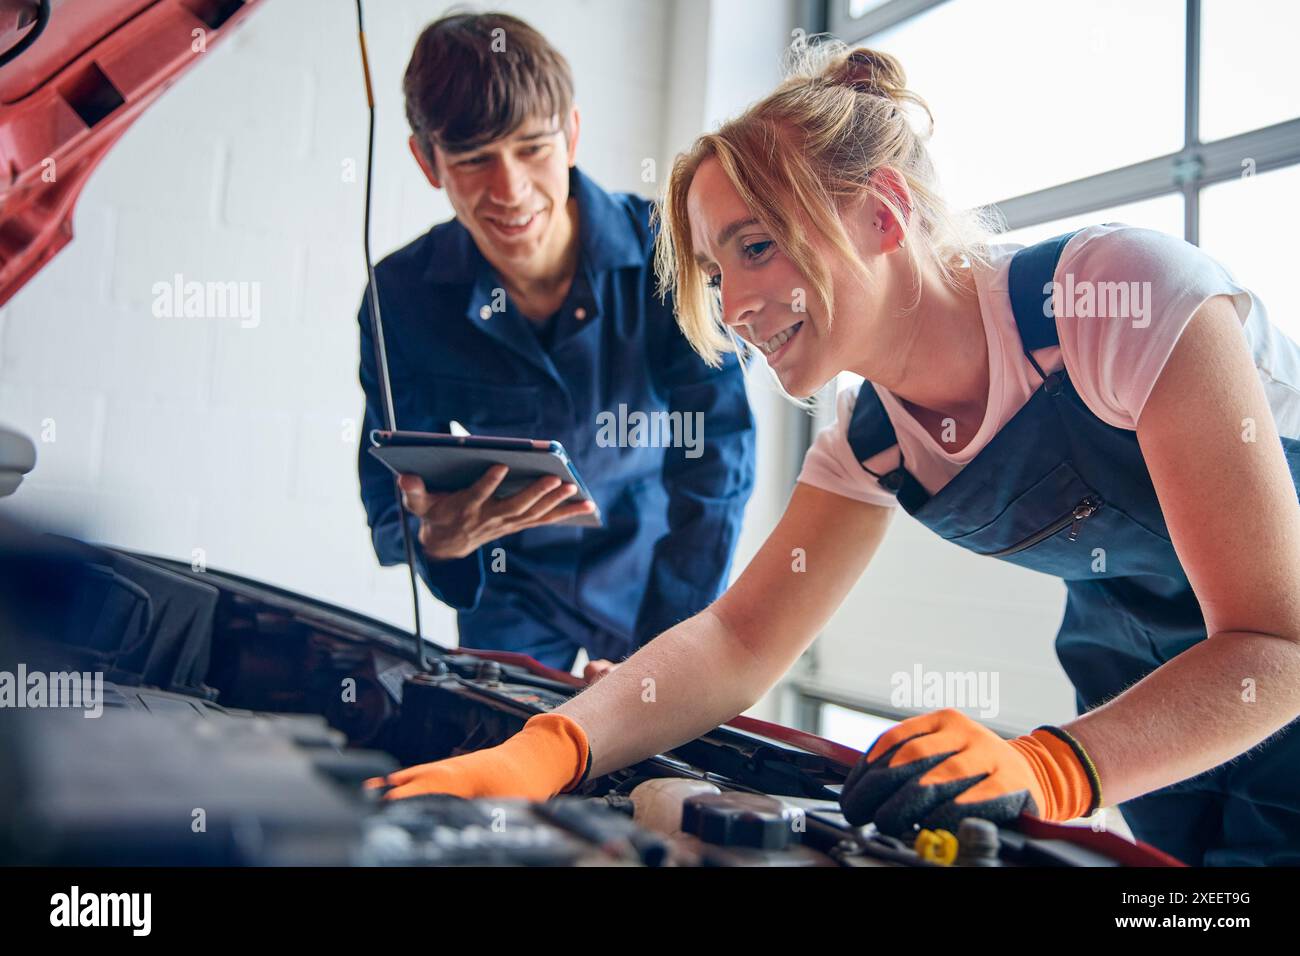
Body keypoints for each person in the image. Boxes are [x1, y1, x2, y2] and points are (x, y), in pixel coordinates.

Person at [366, 41, 1300, 867]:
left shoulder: (1111, 300)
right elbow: (736, 641)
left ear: (884, 213)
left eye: (757, 246)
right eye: (718, 271)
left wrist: (1054, 765)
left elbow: (1275, 639)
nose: (731, 307)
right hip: (1132, 663)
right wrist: (548, 747)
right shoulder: (870, 438)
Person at [357, 12, 755, 675]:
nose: (510, 191)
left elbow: (718, 461)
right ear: (428, 161)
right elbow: (388, 492)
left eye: (533, 148)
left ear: (571, 134)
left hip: (655, 574)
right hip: (509, 586)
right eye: (474, 158)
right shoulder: (401, 297)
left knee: (646, 766)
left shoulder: (671, 255)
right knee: (492, 753)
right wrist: (439, 544)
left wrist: (666, 653)